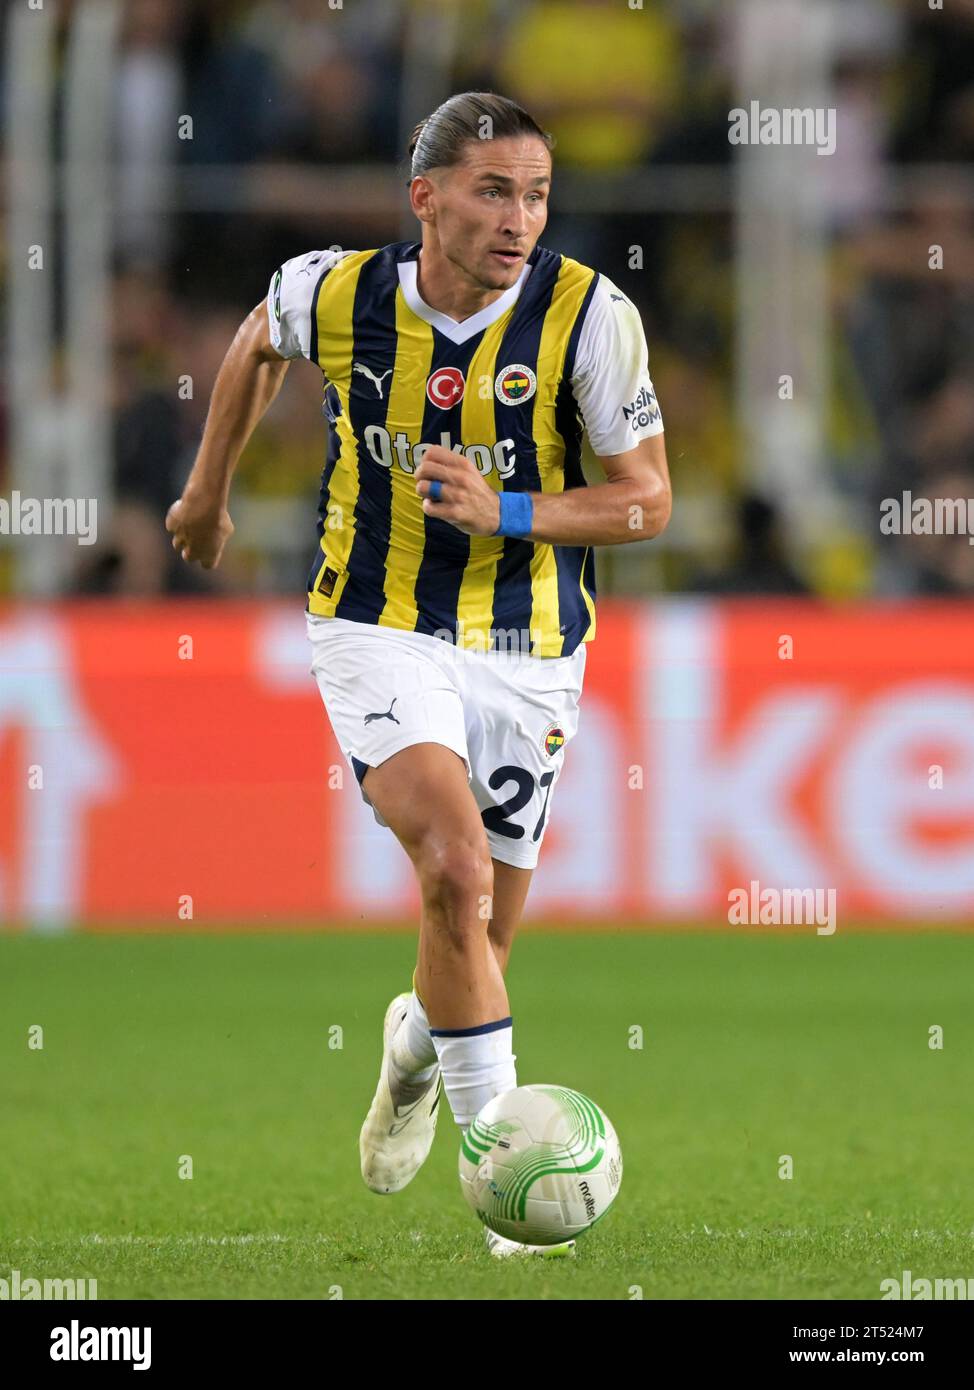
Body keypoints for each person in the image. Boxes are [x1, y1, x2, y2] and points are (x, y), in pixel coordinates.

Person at [165, 91, 671, 1257]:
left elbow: (645, 501)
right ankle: (507, 1176)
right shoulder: (335, 293)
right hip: (374, 620)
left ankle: (412, 1051)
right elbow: (255, 342)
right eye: (493, 191)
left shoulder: (589, 317)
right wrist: (205, 492)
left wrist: (506, 509)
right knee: (451, 864)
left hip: (529, 646)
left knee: (478, 938)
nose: (519, 219)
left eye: (535, 195)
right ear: (425, 198)